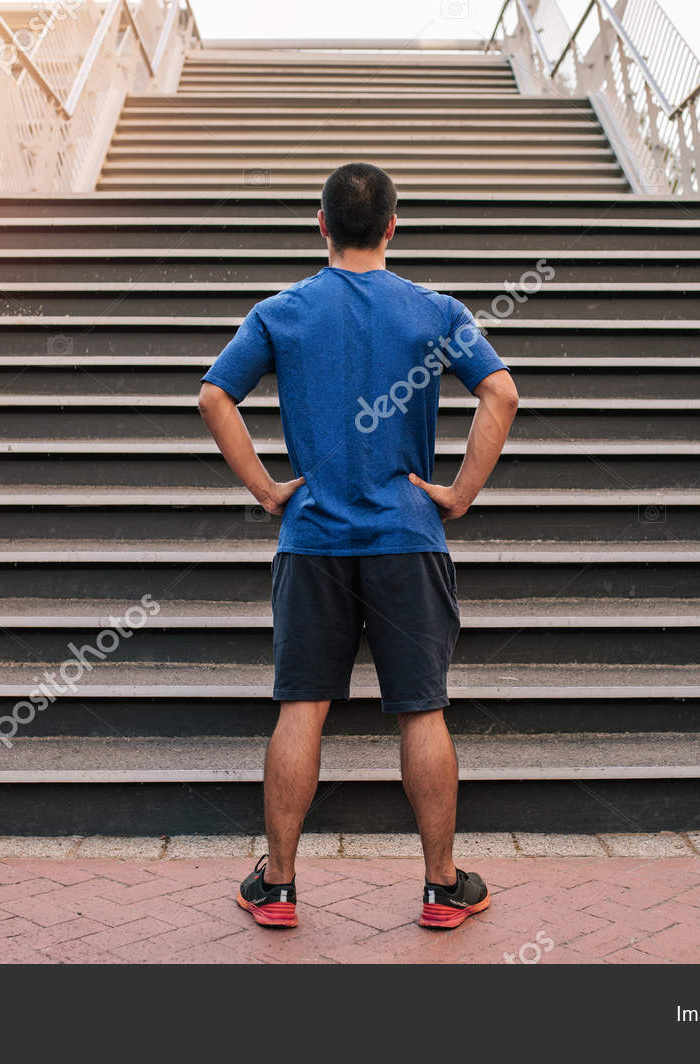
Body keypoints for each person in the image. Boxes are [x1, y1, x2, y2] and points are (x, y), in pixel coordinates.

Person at [198, 162, 519, 930]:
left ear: (321, 225)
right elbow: (501, 392)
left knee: (300, 706)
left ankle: (276, 886)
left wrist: (270, 490)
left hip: (313, 538)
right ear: (391, 228)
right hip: (406, 535)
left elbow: (214, 394)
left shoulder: (283, 311)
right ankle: (443, 887)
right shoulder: (435, 310)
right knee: (421, 709)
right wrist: (460, 494)